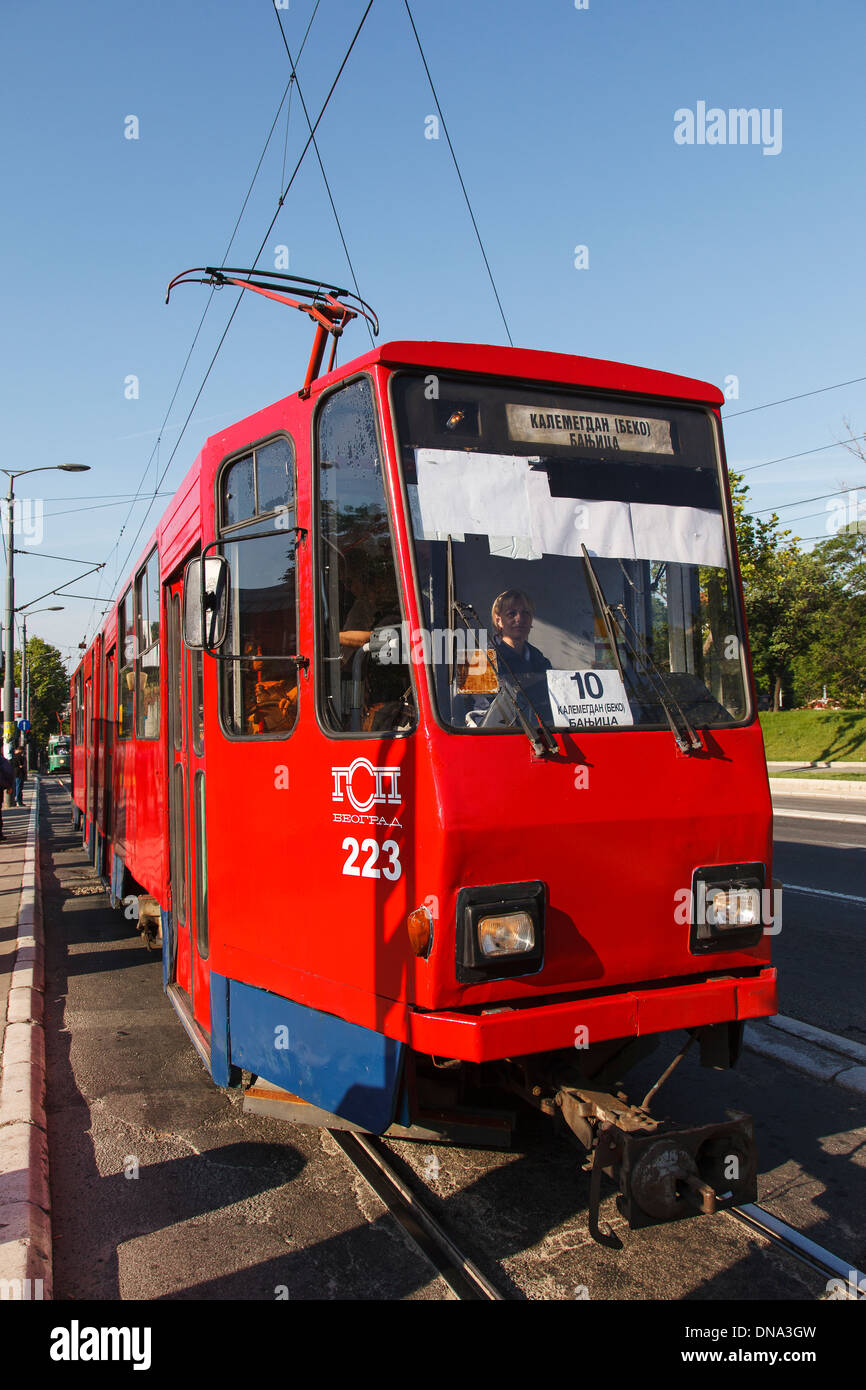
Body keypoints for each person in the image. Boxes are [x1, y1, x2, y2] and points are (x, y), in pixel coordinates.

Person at [489, 588, 553, 725]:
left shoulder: (540, 661)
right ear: (499, 621)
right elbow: (482, 714)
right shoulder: (483, 660)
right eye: (511, 614)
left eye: (526, 613)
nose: (520, 618)